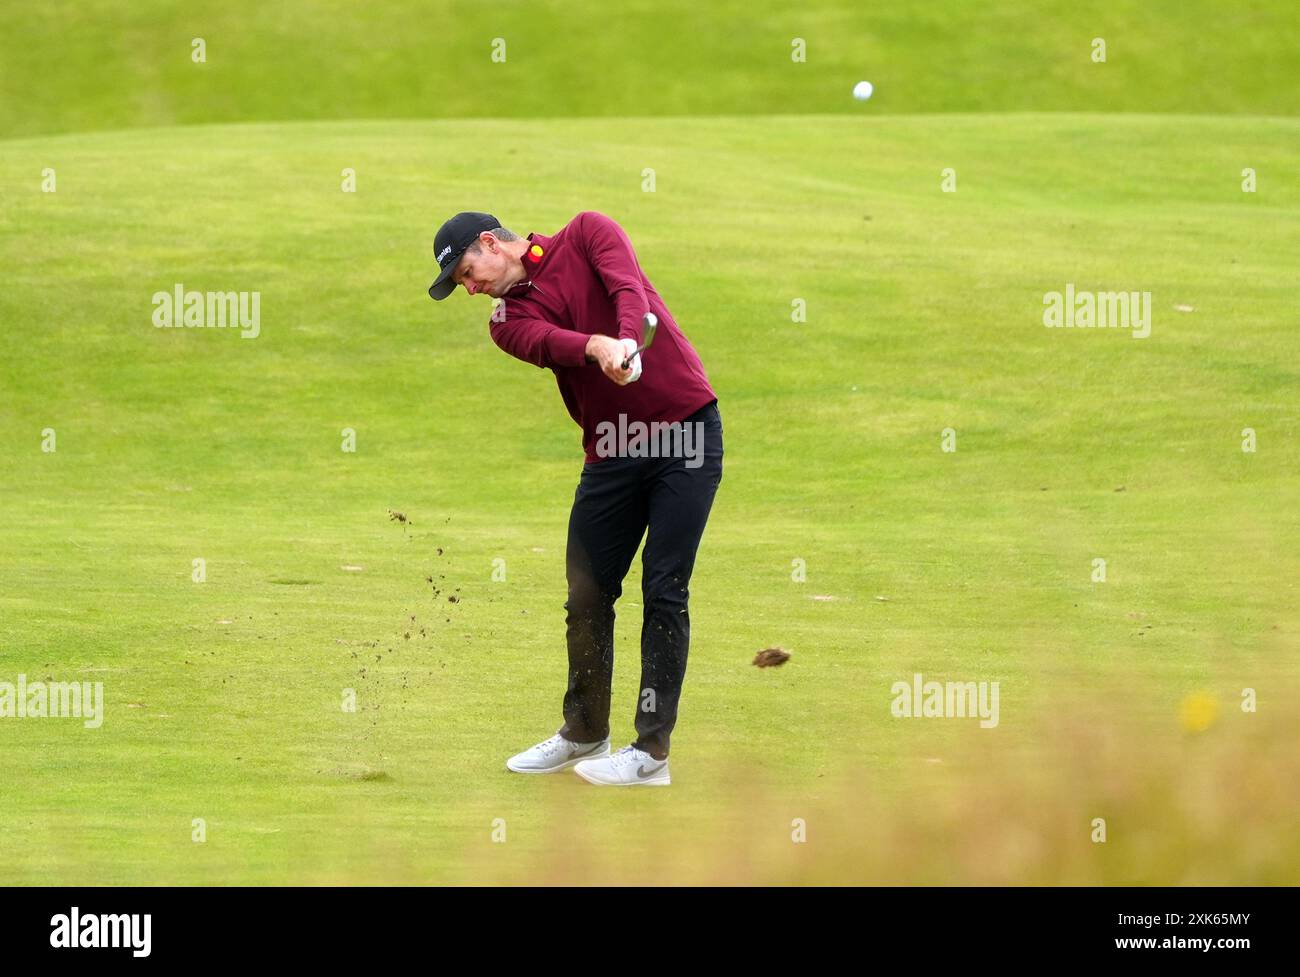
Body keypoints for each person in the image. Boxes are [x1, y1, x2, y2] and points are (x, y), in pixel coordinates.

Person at [428, 210, 723, 786]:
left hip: (686, 432)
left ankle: (651, 753)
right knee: (586, 591)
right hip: (612, 452)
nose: (470, 288)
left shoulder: (588, 231)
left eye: (467, 272)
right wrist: (599, 347)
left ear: (491, 243)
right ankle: (585, 731)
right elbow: (552, 342)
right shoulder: (506, 322)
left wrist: (629, 342)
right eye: (461, 283)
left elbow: (626, 287)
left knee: (664, 588)